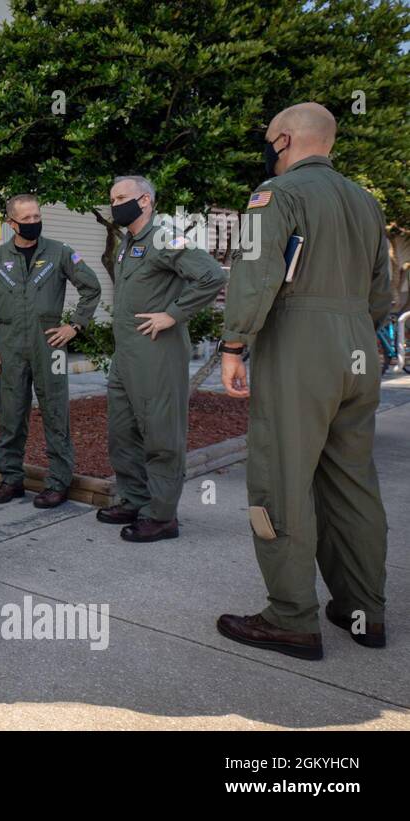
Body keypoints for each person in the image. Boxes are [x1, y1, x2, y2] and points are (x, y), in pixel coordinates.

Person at [216, 102, 392, 660]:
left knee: (282, 482)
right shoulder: (366, 202)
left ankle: (290, 618)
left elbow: (255, 271)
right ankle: (363, 610)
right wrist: (358, 331)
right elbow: (382, 290)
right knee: (352, 483)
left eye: (270, 140)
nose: (269, 149)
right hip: (359, 343)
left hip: (299, 345)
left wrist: (234, 344)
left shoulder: (278, 196)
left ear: (285, 139)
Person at [99, 175, 226, 542]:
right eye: (112, 198)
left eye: (122, 197)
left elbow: (211, 275)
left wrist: (173, 313)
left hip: (158, 352)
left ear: (145, 201)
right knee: (122, 432)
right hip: (127, 354)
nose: (115, 204)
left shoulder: (165, 237)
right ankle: (134, 499)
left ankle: (162, 516)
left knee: (160, 434)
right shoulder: (127, 242)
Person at [0, 194, 102, 508]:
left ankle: (58, 482)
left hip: (52, 347)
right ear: (11, 223)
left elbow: (91, 287)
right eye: (27, 219)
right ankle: (10, 478)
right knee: (11, 413)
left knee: (56, 412)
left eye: (36, 217)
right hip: (10, 346)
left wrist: (74, 326)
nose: (34, 223)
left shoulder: (59, 252)